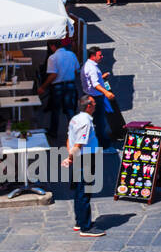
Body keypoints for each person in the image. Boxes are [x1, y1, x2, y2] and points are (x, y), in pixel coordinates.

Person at [64, 95, 104, 237]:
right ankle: (86, 228)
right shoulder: (85, 122)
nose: (95, 105)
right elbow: (78, 144)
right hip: (85, 159)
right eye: (94, 103)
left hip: (78, 158)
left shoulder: (75, 119)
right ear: (88, 106)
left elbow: (69, 139)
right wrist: (70, 157)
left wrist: (70, 155)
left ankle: (79, 221)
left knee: (78, 191)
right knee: (84, 192)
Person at [38, 39, 80, 142]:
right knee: (69, 109)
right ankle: (75, 133)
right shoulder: (71, 55)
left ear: (52, 46)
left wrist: (43, 87)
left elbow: (53, 75)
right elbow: (76, 70)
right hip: (70, 85)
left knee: (56, 110)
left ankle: (53, 132)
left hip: (58, 87)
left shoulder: (52, 57)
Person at [79, 46, 115, 149]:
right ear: (93, 56)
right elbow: (95, 84)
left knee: (95, 121)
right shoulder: (92, 68)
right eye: (100, 55)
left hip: (89, 95)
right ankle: (105, 146)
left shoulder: (89, 65)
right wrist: (106, 92)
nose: (102, 57)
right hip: (96, 97)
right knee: (100, 122)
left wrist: (101, 77)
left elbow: (91, 80)